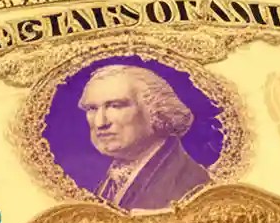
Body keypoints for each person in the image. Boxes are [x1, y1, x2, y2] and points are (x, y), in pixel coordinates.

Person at [77, 64, 210, 210]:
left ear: (156, 111)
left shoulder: (187, 186)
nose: (100, 123)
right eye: (92, 109)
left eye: (116, 106)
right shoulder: (114, 174)